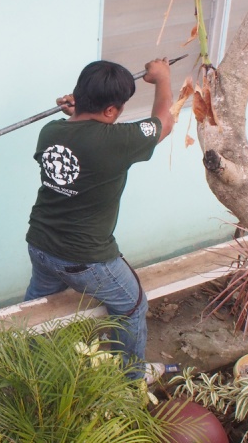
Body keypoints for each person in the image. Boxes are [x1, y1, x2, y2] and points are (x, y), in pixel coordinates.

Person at [24, 58, 174, 382]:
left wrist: (75, 116)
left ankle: (32, 367)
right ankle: (130, 381)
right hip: (85, 259)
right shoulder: (117, 141)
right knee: (133, 306)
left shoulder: (50, 131)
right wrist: (162, 78)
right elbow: (164, 120)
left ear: (77, 96)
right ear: (109, 111)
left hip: (39, 243)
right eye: (118, 109)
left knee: (38, 308)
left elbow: (78, 136)